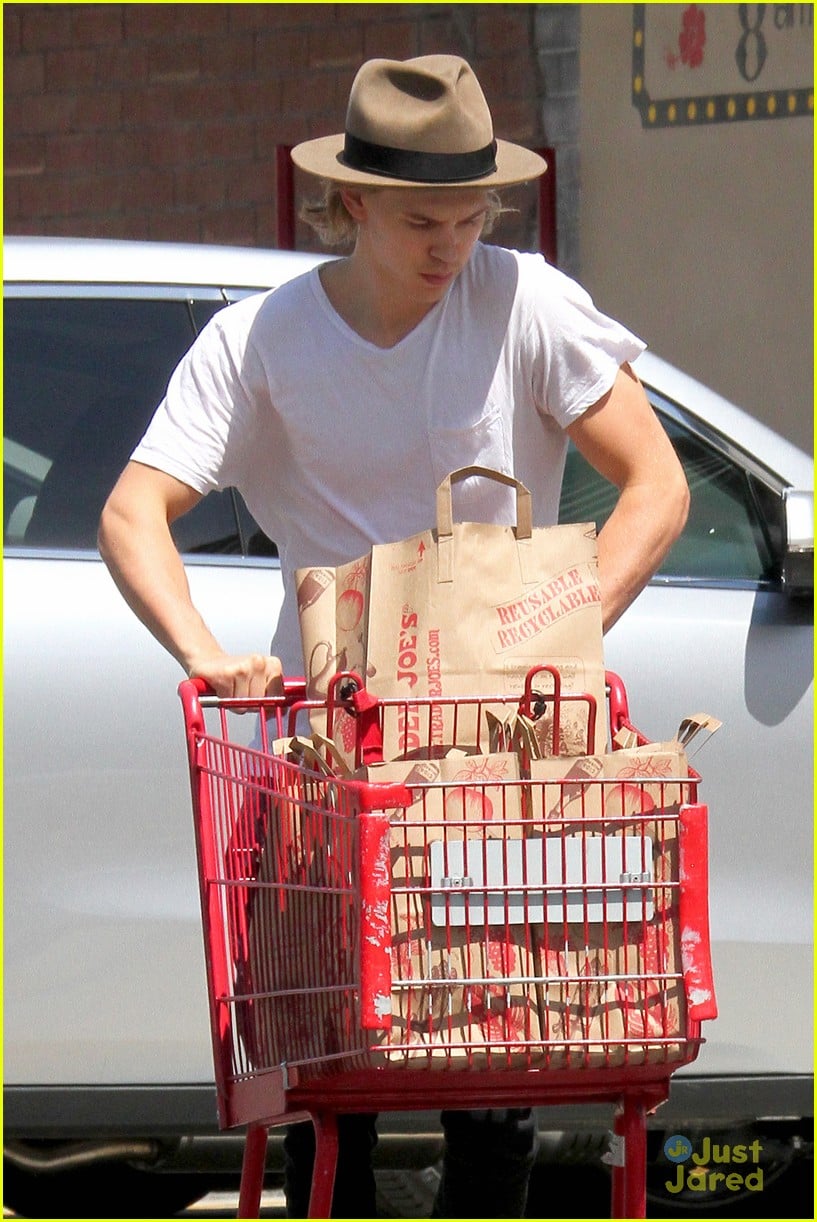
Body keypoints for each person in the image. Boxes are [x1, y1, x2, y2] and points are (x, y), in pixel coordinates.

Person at [99, 54, 689, 1218]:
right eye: (423, 220)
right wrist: (205, 651)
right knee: (339, 1083)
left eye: (472, 218)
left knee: (500, 1057)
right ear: (352, 203)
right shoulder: (261, 342)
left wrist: (558, 630)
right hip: (332, 750)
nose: (451, 245)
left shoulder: (525, 302)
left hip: (504, 757)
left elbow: (657, 486)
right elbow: (133, 511)